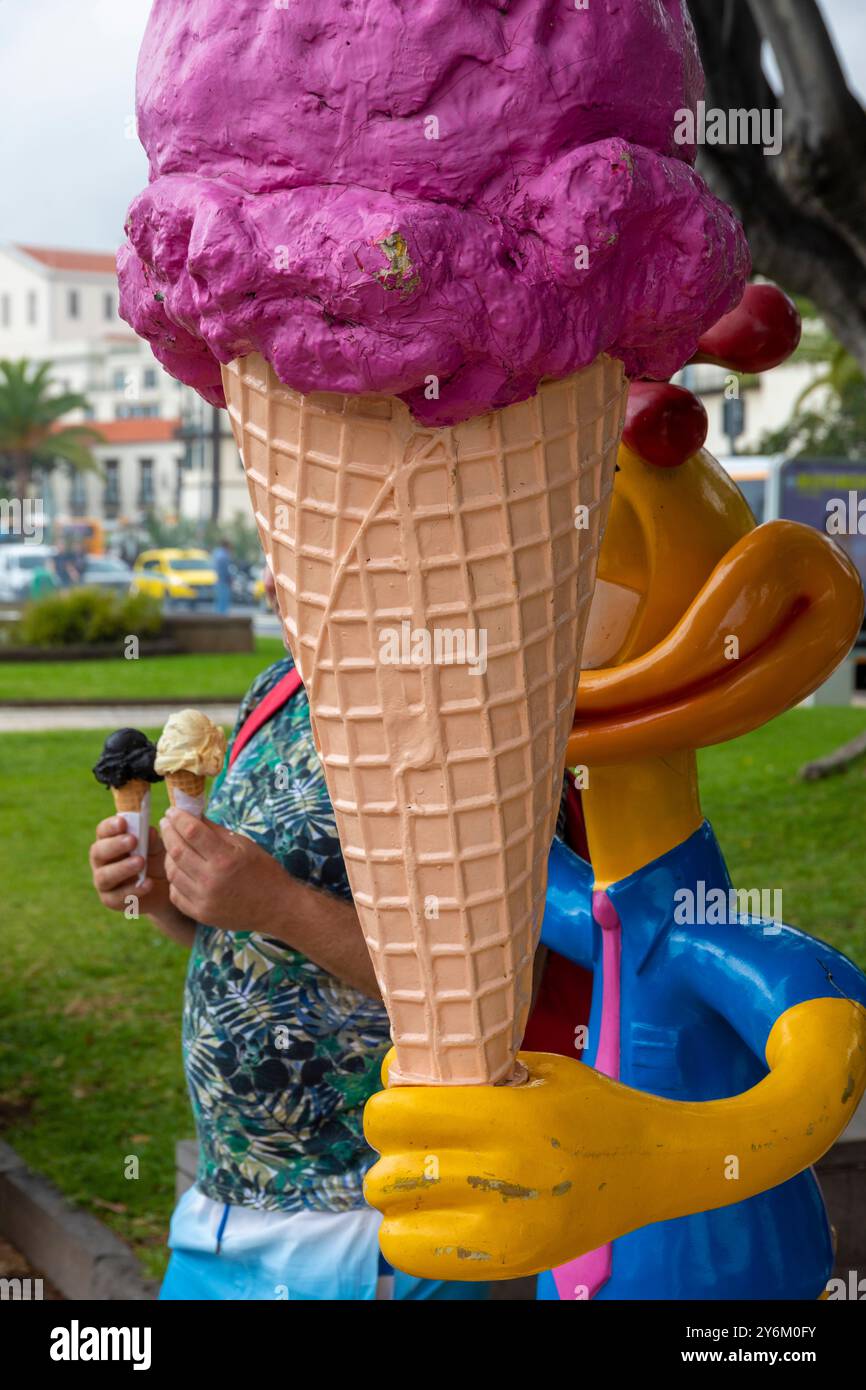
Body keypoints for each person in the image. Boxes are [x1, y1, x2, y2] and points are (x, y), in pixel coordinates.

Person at [89, 568, 488, 1301]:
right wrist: (164, 890)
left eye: (304, 554)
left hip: (372, 1226)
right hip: (225, 1205)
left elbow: (481, 991)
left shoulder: (457, 715)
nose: (271, 579)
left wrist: (277, 903)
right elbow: (246, 937)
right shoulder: (279, 689)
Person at [212, 539, 232, 615]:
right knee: (223, 602)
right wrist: (229, 579)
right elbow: (226, 570)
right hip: (223, 581)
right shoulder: (224, 555)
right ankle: (222, 618)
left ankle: (217, 618)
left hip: (217, 580)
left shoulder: (216, 553)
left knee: (218, 601)